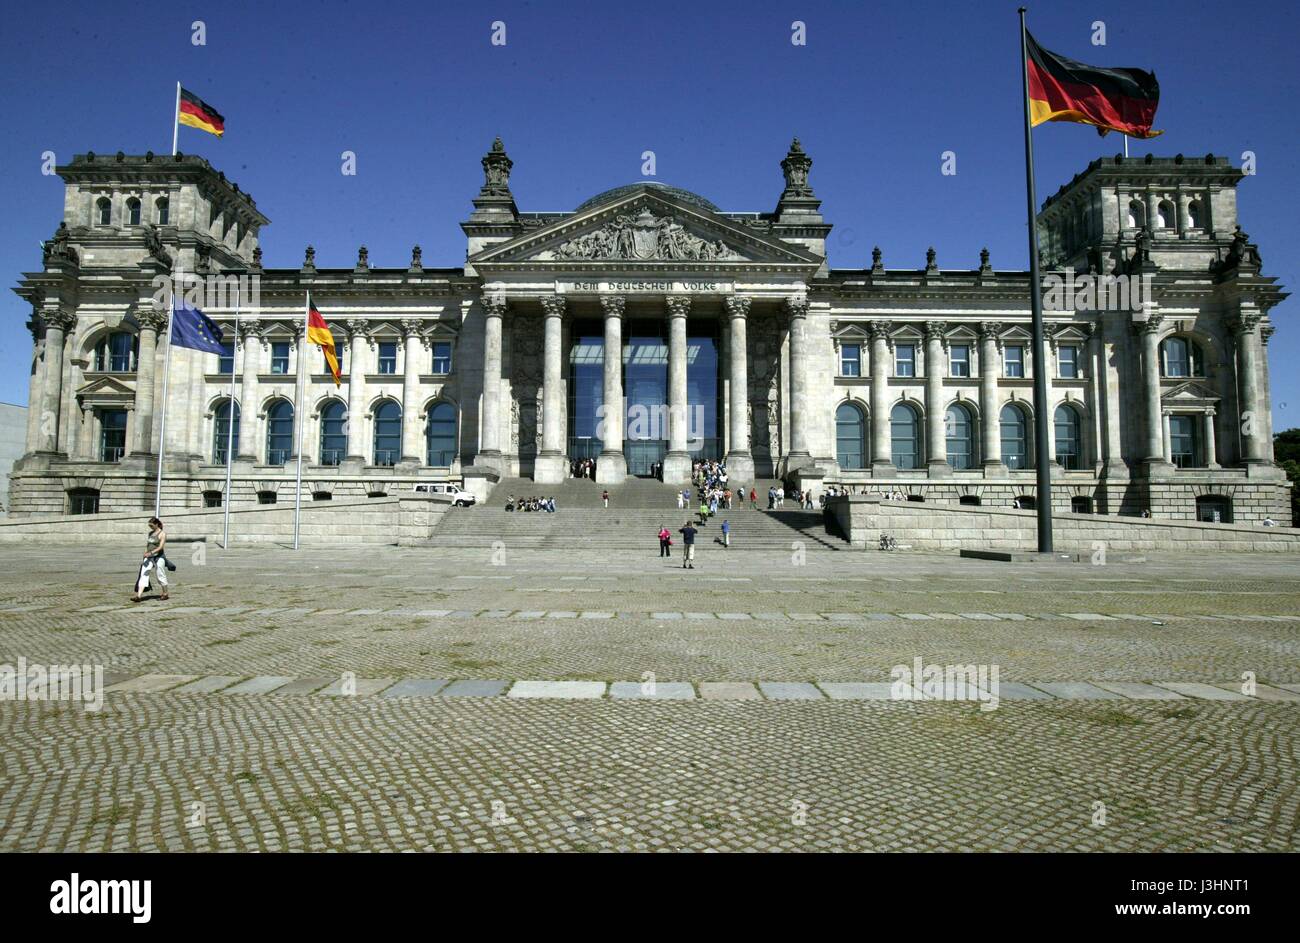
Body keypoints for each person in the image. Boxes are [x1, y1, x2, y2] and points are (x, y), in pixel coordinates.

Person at [132, 517, 170, 602]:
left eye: (152, 526)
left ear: (156, 524)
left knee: (160, 573)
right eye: (149, 526)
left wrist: (151, 553)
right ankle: (138, 596)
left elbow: (160, 547)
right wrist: (145, 554)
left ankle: (165, 593)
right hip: (148, 557)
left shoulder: (162, 534)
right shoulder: (150, 533)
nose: (150, 527)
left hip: (159, 557)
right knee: (143, 574)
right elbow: (147, 545)